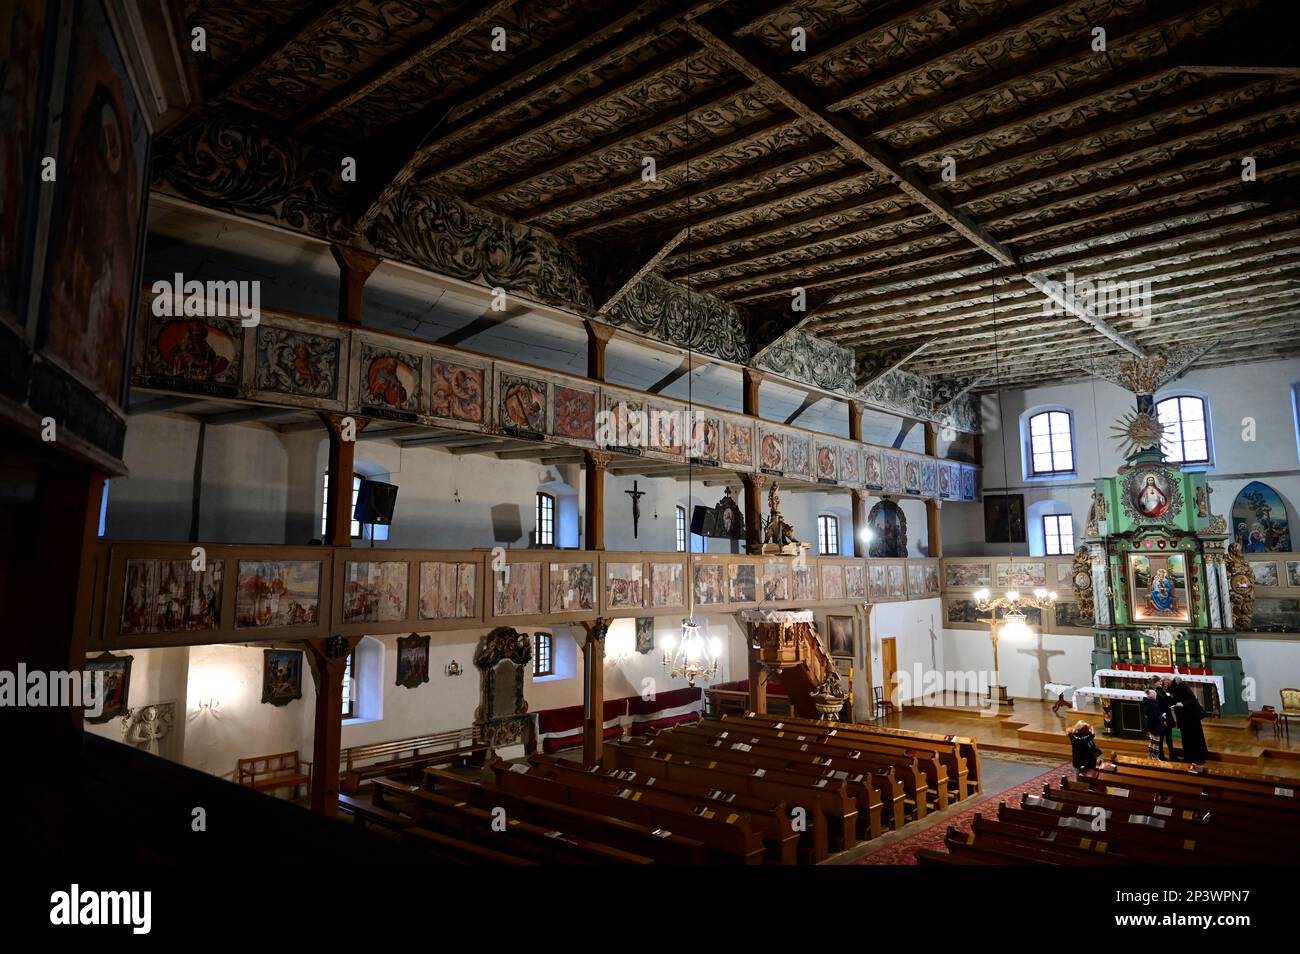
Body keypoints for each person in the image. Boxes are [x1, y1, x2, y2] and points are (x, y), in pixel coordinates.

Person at [1170, 679, 1208, 770]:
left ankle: (1199, 758)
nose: (1166, 682)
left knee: (1195, 737)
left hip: (1192, 717)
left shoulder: (1184, 687)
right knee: (1186, 738)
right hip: (1184, 718)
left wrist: (1183, 704)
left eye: (1168, 680)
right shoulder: (1174, 688)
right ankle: (1188, 757)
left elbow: (1193, 699)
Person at [1150, 676, 1178, 760]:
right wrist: (1171, 698)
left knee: (1168, 737)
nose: (1161, 683)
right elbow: (1164, 702)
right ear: (1155, 683)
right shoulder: (1156, 692)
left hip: (1166, 716)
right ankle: (1161, 755)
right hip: (1163, 717)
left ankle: (1172, 755)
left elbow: (1166, 700)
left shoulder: (1161, 690)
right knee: (1162, 738)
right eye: (1159, 681)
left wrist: (1171, 698)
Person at [1142, 688, 1167, 759]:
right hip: (1156, 725)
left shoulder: (1147, 703)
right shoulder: (1154, 704)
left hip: (1151, 725)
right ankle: (1155, 757)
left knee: (1152, 741)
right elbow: (1157, 716)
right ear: (1153, 696)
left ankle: (1149, 756)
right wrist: (1164, 717)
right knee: (1156, 742)